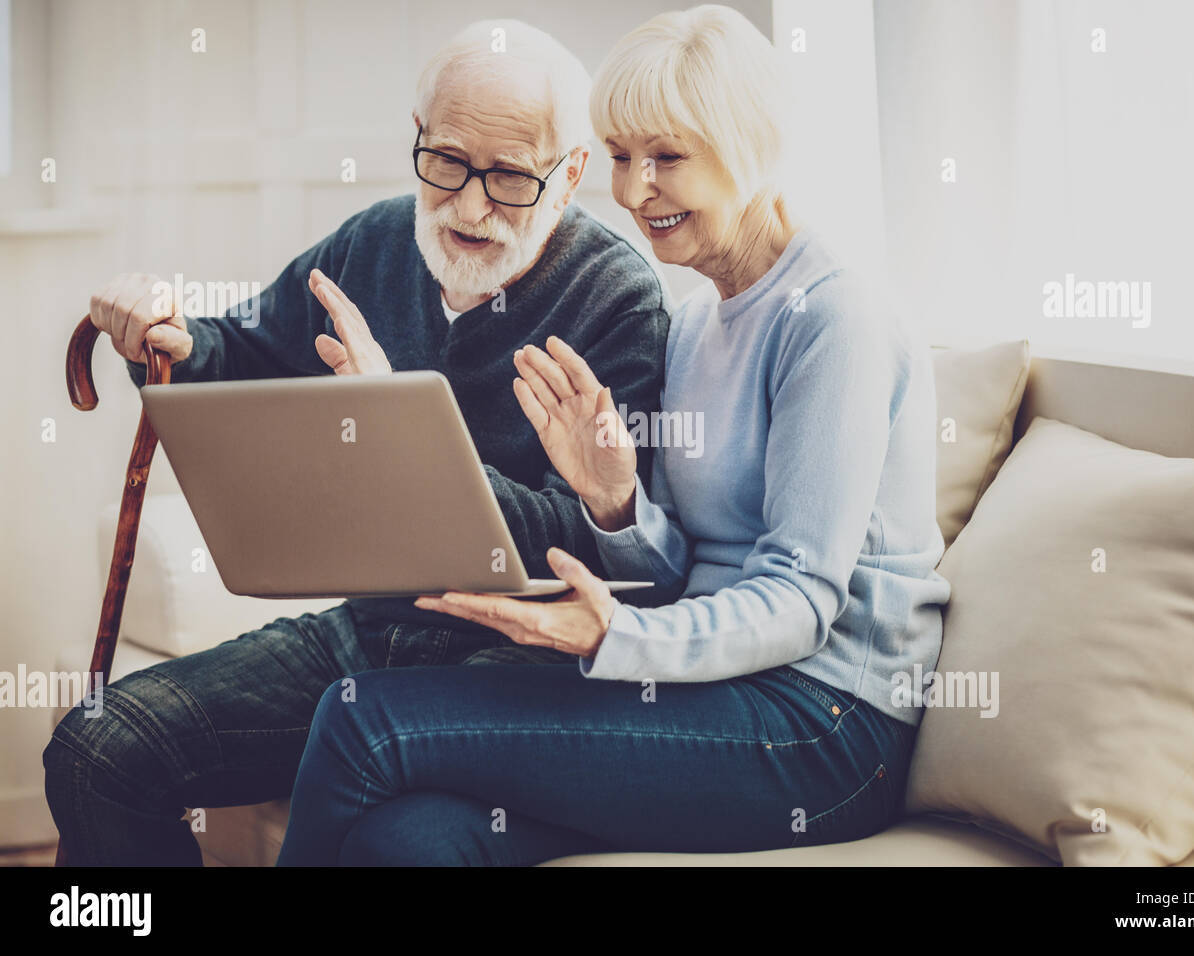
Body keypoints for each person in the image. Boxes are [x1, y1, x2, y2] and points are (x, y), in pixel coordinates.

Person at [276, 4, 951, 867]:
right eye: (624, 158)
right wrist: (612, 498)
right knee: (406, 840)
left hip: (823, 725)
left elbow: (802, 601)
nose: (633, 192)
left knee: (361, 714)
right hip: (709, 687)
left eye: (668, 158)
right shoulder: (700, 317)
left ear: (749, 147)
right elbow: (680, 568)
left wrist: (612, 638)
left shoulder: (832, 320)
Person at [43, 20, 669, 866]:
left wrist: (398, 433)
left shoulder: (619, 299)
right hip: (368, 633)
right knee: (97, 749)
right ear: (417, 139)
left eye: (512, 176)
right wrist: (174, 340)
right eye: (446, 161)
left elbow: (602, 546)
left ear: (571, 176)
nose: (471, 205)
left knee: (392, 833)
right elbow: (245, 352)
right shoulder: (376, 240)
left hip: (515, 665)